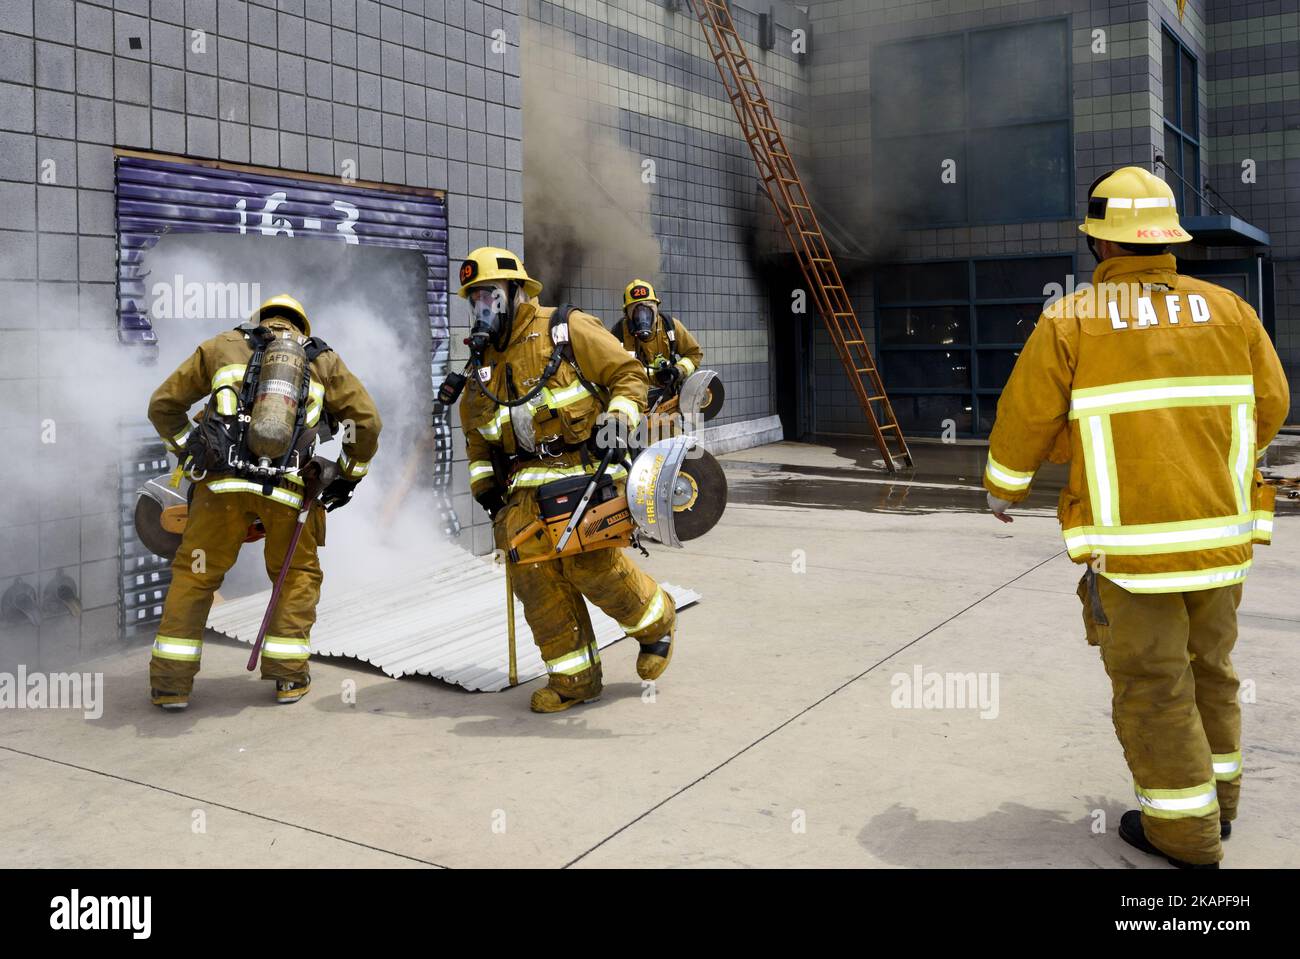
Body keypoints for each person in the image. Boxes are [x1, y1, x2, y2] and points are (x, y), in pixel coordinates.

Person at [984, 167, 1289, 868]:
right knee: (1211, 667)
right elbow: (1270, 404)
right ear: (1165, 240)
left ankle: (1184, 834)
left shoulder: (1072, 319)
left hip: (1132, 549)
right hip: (1222, 539)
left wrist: (1006, 488)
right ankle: (1221, 805)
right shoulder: (1230, 310)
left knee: (1154, 684)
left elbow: (1026, 415)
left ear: (1101, 245)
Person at [456, 248, 678, 713]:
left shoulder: (565, 328)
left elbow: (627, 372)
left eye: (490, 296)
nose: (483, 308)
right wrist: (484, 489)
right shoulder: (480, 366)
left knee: (590, 569)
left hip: (584, 474)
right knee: (536, 585)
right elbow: (478, 438)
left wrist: (619, 415)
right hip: (521, 496)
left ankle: (656, 623)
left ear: (517, 292)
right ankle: (574, 679)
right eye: (475, 299)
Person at [146, 295, 381, 708]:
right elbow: (365, 423)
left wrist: (189, 450)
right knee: (295, 577)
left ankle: (171, 685)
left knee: (195, 576)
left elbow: (163, 405)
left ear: (258, 321)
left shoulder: (221, 345)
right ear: (301, 326)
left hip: (220, 488)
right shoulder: (322, 359)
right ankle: (288, 679)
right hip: (289, 493)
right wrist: (348, 474)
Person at [611, 279, 703, 395]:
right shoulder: (618, 334)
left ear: (656, 307)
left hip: (667, 399)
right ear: (627, 314)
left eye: (648, 307)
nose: (643, 316)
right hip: (635, 401)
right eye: (636, 309)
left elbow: (694, 353)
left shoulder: (670, 326)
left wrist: (678, 370)